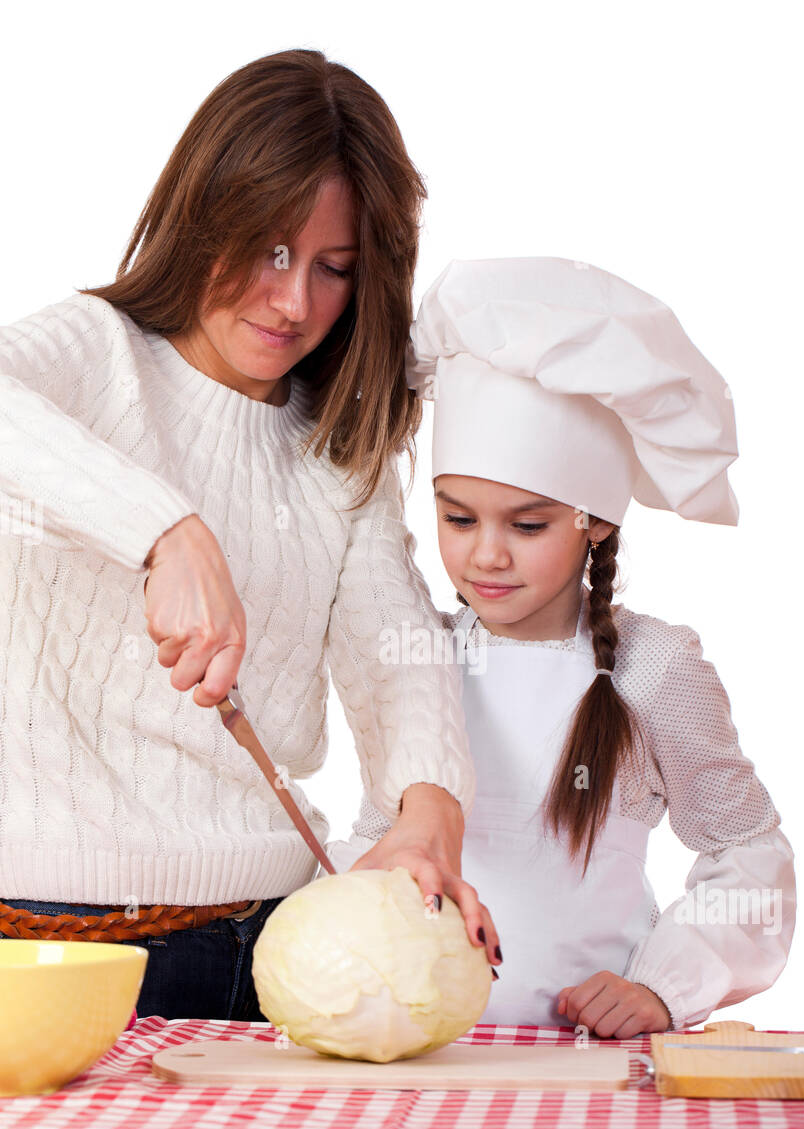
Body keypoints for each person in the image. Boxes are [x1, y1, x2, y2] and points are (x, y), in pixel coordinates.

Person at [0, 51, 501, 1023]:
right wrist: (166, 531)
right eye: (270, 251)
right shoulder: (90, 356)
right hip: (35, 943)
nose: (295, 303)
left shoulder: (332, 449)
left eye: (334, 270)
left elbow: (393, 648)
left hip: (258, 943)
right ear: (204, 215)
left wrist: (428, 816)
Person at [324, 256, 796, 1037]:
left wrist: (662, 987)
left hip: (593, 1061)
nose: (487, 557)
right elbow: (385, 841)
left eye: (529, 524)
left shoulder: (654, 670)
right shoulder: (423, 662)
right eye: (459, 518)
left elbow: (749, 851)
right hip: (427, 1054)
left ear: (597, 521)